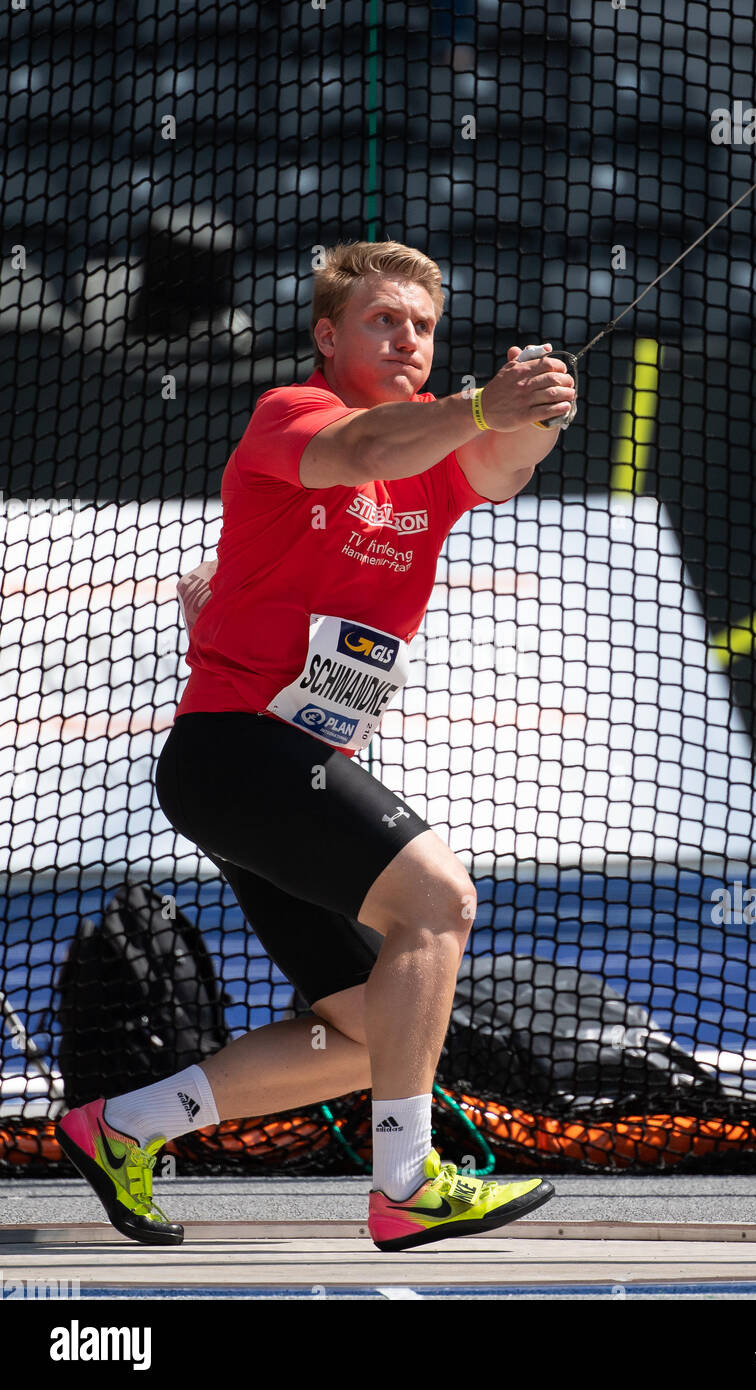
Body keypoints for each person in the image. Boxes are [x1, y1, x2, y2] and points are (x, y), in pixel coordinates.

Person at [55, 240, 576, 1252]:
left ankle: (122, 1126)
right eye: (384, 320)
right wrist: (482, 405)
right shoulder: (291, 414)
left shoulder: (439, 461)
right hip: (235, 751)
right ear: (327, 336)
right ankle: (407, 1182)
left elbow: (502, 463)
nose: (408, 339)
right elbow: (369, 450)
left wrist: (540, 411)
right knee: (440, 902)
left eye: (422, 325)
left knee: (371, 1029)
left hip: (291, 766)